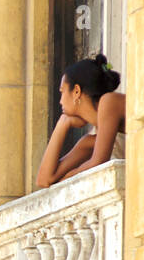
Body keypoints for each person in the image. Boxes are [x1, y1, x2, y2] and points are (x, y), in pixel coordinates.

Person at [36, 53, 125, 189]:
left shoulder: (109, 101)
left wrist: (65, 179)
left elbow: (98, 162)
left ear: (76, 91)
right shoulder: (90, 141)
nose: (60, 101)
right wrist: (62, 124)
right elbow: (44, 180)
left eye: (62, 92)